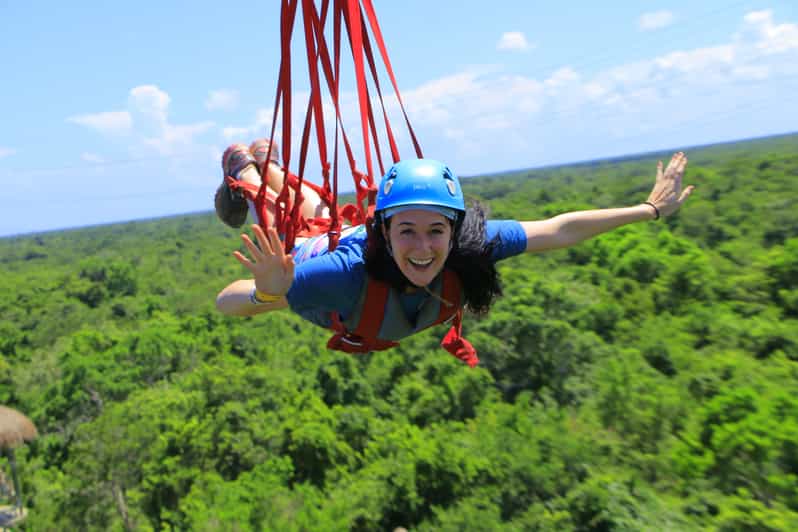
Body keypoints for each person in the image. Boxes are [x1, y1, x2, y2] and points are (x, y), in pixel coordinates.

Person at [214, 142, 693, 364]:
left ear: (455, 230)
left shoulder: (469, 248)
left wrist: (647, 210)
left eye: (436, 231)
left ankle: (270, 162)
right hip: (304, 254)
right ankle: (248, 168)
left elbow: (558, 229)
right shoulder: (341, 274)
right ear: (384, 229)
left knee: (312, 206)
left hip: (351, 251)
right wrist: (268, 292)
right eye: (407, 231)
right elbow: (227, 301)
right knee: (282, 213)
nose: (423, 248)